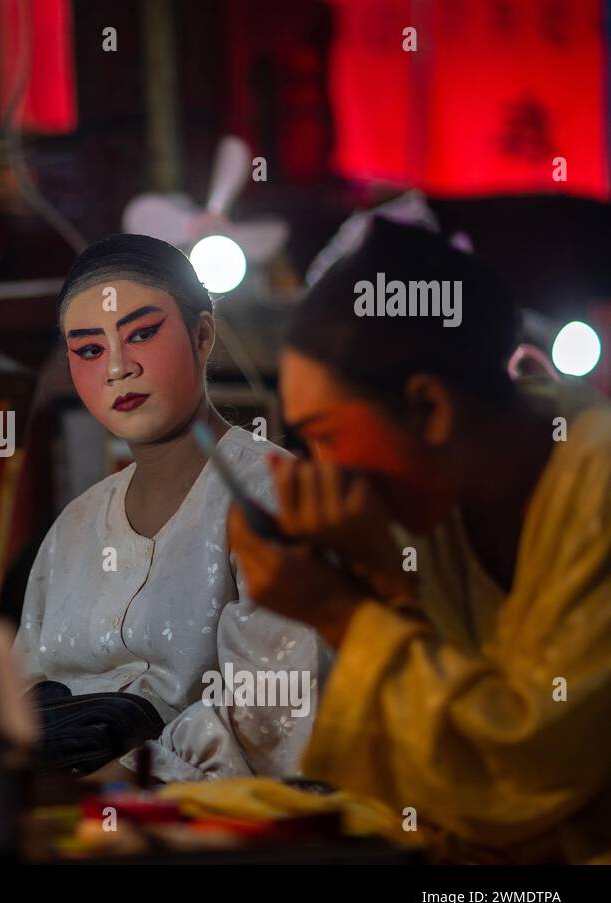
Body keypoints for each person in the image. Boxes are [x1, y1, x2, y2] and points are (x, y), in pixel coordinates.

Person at [228, 217, 611, 862]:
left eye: (326, 435)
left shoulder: (597, 480)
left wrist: (342, 612)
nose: (319, 471)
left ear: (430, 408)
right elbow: (434, 774)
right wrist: (376, 582)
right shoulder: (433, 507)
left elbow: (516, 778)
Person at [14, 233, 329, 783]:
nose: (117, 368)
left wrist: (117, 778)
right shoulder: (75, 525)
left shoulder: (274, 496)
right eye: (89, 349)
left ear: (202, 334)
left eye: (140, 334)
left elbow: (274, 717)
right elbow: (22, 689)